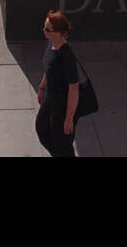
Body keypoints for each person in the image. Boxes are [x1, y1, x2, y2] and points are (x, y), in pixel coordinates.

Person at [36, 10, 81, 157]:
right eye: (44, 26)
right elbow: (49, 69)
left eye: (47, 29)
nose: (44, 30)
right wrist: (42, 86)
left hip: (61, 107)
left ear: (58, 32)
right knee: (41, 129)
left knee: (62, 143)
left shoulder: (66, 56)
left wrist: (69, 119)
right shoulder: (51, 44)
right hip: (49, 98)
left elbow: (74, 88)